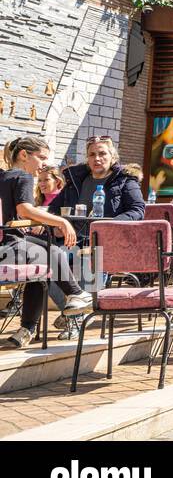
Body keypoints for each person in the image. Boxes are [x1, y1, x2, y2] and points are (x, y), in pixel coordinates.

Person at [0, 136, 93, 348]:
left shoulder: (3, 176)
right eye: (41, 157)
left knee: (45, 259)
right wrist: (61, 221)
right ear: (24, 155)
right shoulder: (22, 176)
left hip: (7, 241)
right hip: (8, 246)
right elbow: (25, 209)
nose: (44, 163)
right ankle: (78, 295)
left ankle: (27, 329)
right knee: (53, 254)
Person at [45, 136, 145, 223]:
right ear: (87, 159)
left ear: (112, 157)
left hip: (106, 240)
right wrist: (55, 225)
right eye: (92, 154)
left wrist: (111, 225)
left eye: (102, 154)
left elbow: (137, 210)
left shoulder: (125, 180)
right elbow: (54, 208)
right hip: (71, 240)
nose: (97, 158)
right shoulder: (75, 180)